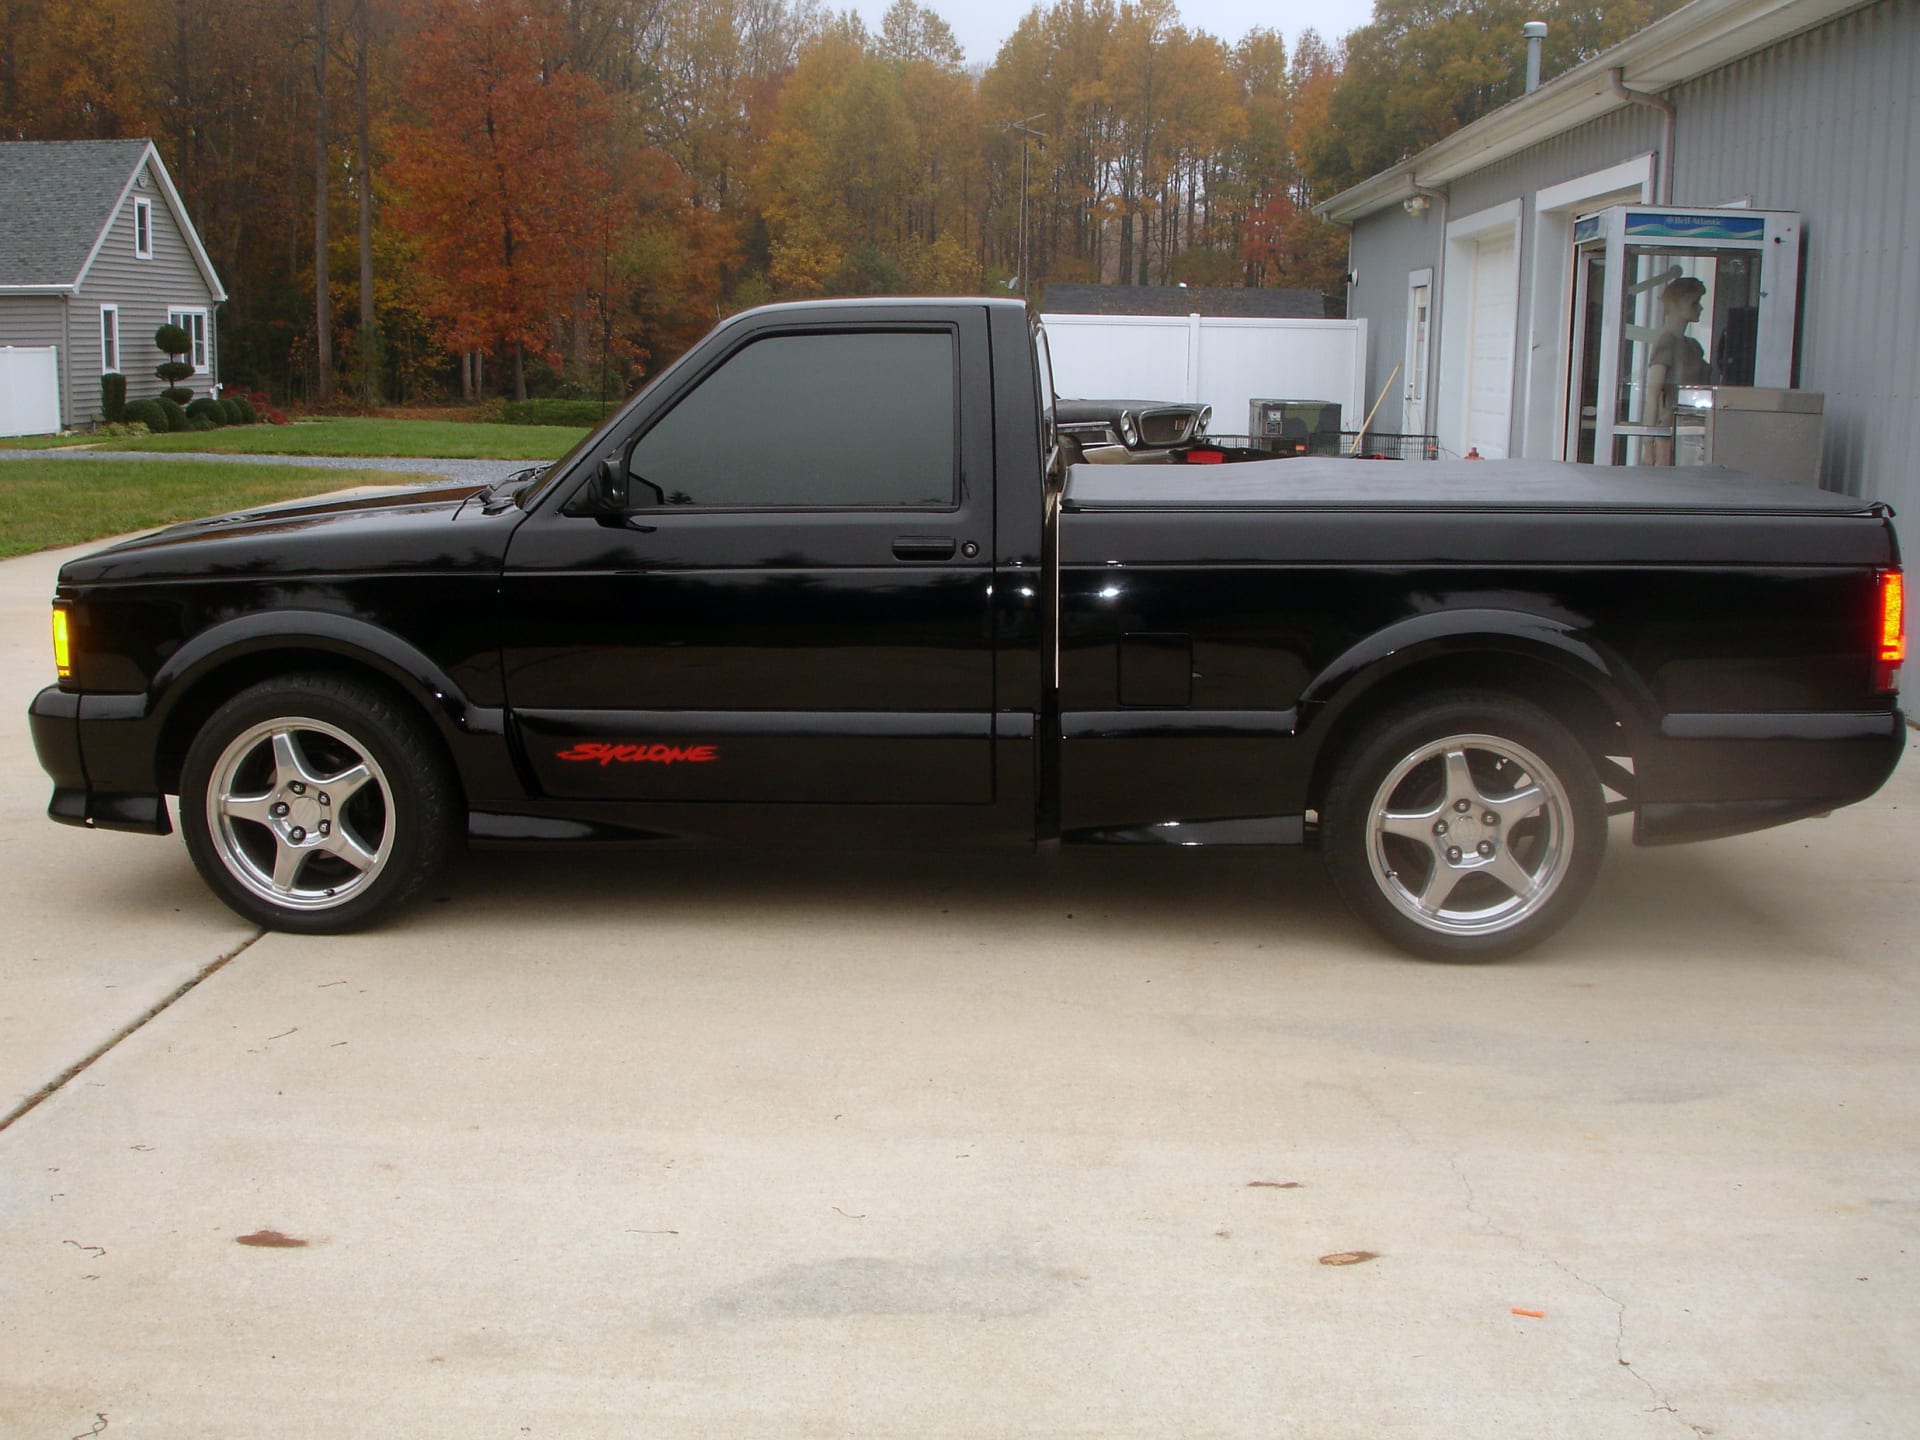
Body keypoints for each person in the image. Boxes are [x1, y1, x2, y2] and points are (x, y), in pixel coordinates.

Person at [1642, 276, 1709, 464]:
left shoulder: (1693, 346)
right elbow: (1652, 397)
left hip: (1693, 429)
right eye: (1694, 303)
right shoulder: (1667, 342)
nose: (1700, 308)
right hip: (1671, 433)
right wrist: (1648, 448)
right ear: (1679, 304)